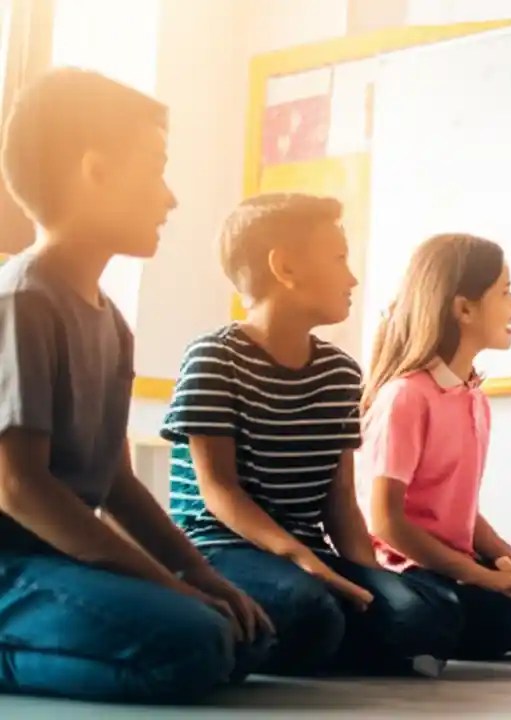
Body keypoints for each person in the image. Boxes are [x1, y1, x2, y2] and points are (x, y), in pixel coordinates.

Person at [0, 68, 269, 702]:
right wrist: (168, 588)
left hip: (57, 564)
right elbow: (18, 486)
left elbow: (115, 482)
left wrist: (198, 573)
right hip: (13, 569)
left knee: (246, 631)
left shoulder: (111, 323)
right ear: (94, 169)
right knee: (194, 641)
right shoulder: (23, 300)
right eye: (155, 168)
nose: (169, 198)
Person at [162, 194, 455, 676]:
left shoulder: (340, 373)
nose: (352, 278)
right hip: (223, 547)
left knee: (430, 613)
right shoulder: (213, 357)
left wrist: (376, 581)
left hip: (305, 554)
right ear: (285, 267)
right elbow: (219, 491)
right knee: (310, 611)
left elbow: (339, 500)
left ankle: (340, 634)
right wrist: (300, 558)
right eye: (339, 259)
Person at [360, 233, 511, 661]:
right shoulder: (406, 396)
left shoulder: (471, 395)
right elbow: (384, 520)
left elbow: (459, 510)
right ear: (463, 308)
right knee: (498, 622)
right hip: (406, 565)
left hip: (453, 561)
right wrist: (479, 576)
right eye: (505, 292)